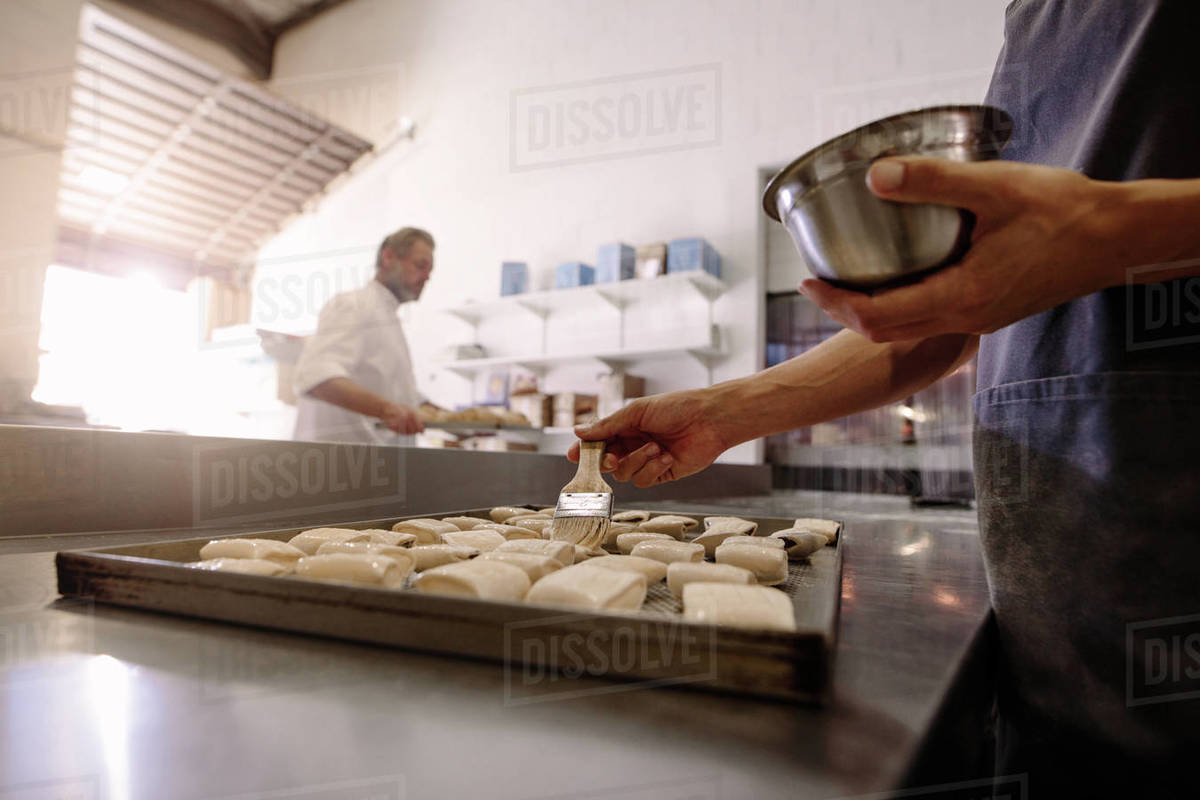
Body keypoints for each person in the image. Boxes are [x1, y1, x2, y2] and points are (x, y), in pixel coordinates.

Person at [571, 2, 1199, 794]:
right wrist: (721, 413)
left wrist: (1110, 233)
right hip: (1062, 605)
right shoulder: (1037, 20)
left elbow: (1082, 245)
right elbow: (944, 322)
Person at [292, 227, 437, 443]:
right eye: (420, 266)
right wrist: (386, 410)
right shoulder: (353, 305)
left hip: (378, 466)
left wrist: (465, 422)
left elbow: (399, 395)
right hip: (341, 466)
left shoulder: (391, 321)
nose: (426, 277)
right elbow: (317, 377)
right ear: (388, 257)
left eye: (429, 271)